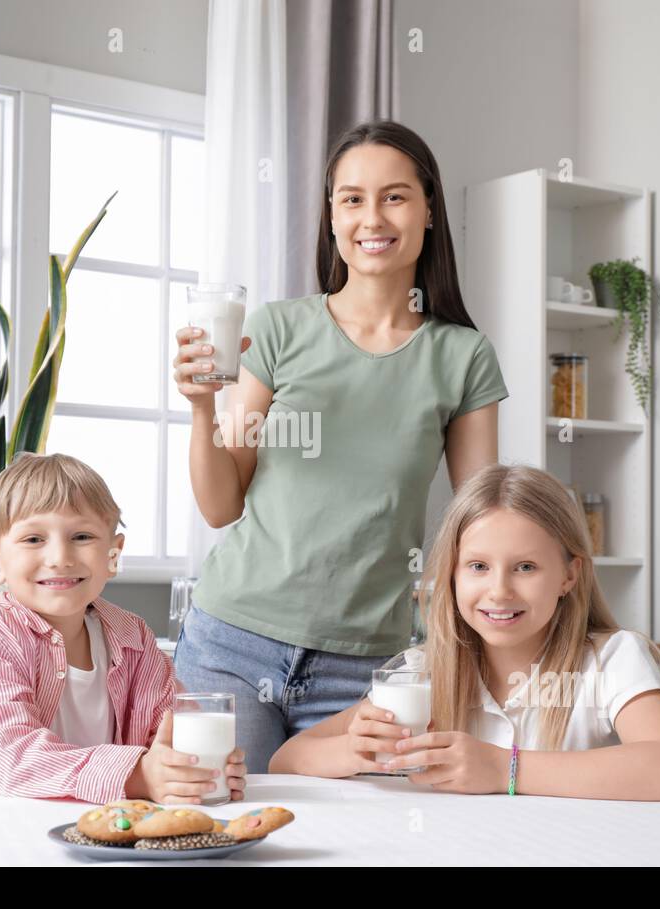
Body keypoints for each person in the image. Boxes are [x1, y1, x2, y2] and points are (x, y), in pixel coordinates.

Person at [172, 121, 509, 772]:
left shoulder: (462, 357)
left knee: (352, 845)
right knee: (216, 831)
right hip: (231, 643)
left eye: (395, 196)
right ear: (331, 216)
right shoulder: (276, 328)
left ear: (429, 208)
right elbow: (220, 507)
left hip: (365, 670)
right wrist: (200, 407)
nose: (371, 217)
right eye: (351, 198)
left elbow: (481, 523)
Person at [269, 463, 660, 804]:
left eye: (526, 567)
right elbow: (284, 762)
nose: (499, 591)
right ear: (453, 576)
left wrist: (504, 770)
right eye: (478, 567)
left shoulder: (612, 659)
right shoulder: (424, 673)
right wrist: (353, 751)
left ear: (569, 576)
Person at [0, 452, 247, 803]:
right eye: (34, 539)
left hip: (90, 831)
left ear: (114, 553)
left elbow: (169, 730)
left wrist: (191, 767)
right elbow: (8, 752)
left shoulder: (133, 638)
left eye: (81, 537)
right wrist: (136, 775)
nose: (60, 557)